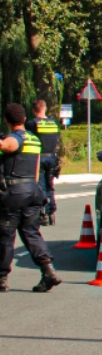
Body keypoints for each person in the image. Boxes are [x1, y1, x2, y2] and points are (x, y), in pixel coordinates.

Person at [0, 104, 58, 292]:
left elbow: (8, 146)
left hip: (15, 193)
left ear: (7, 121)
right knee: (30, 232)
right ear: (24, 119)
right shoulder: (34, 139)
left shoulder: (14, 138)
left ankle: (1, 278)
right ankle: (48, 270)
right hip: (33, 192)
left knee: (6, 236)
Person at [26, 99, 60, 225]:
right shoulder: (53, 123)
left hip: (39, 159)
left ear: (34, 110)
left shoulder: (33, 124)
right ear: (45, 108)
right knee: (50, 186)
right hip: (52, 158)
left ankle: (42, 213)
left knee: (40, 186)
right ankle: (52, 212)